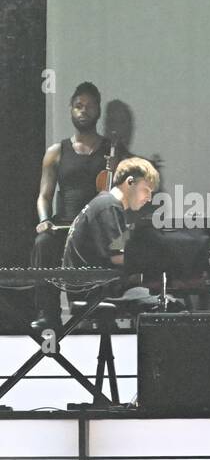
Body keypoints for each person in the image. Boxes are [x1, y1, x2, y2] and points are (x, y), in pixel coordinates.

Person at [32, 82, 128, 329]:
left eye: (89, 106)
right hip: (64, 225)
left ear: (97, 112)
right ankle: (48, 314)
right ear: (71, 109)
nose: (83, 111)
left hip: (96, 231)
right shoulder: (56, 152)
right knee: (43, 243)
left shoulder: (112, 151)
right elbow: (44, 196)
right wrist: (44, 220)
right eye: (78, 106)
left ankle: (95, 312)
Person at [61, 156, 158, 271]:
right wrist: (158, 259)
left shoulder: (106, 203)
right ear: (130, 182)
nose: (149, 198)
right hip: (89, 286)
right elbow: (117, 257)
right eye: (146, 190)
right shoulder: (109, 206)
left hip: (87, 283)